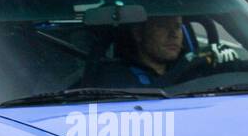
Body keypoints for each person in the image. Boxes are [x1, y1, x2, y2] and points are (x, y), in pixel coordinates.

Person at [90, 14, 235, 88]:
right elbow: (142, 101)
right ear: (138, 34)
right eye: (162, 26)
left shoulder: (196, 70)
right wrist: (187, 63)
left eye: (178, 26)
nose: (174, 34)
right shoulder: (114, 75)